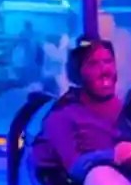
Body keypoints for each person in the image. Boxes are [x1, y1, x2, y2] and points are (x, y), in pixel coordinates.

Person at [31, 37, 123, 174]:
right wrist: (117, 154)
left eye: (108, 61)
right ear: (77, 73)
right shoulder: (61, 117)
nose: (105, 70)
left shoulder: (130, 110)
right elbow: (75, 169)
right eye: (93, 64)